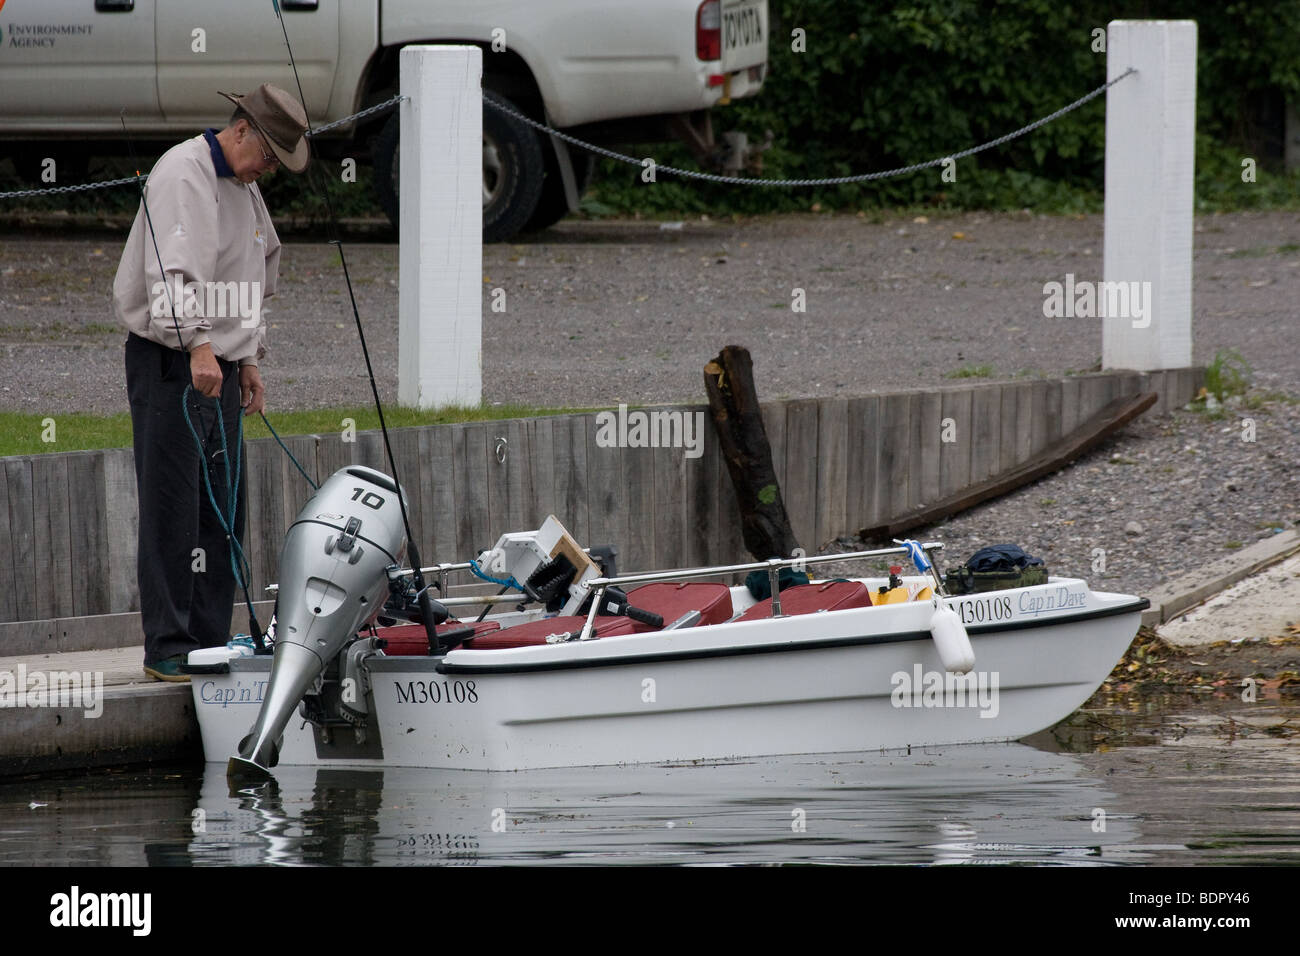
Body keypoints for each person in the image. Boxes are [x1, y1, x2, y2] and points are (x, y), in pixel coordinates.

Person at [113, 84, 309, 681]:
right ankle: (167, 646)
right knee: (173, 505)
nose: (269, 170)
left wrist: (248, 357)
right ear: (242, 129)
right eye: (269, 155)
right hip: (172, 358)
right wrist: (200, 345)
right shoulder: (183, 173)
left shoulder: (244, 189)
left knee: (221, 508)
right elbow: (170, 275)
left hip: (218, 360)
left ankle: (208, 637)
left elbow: (255, 270)